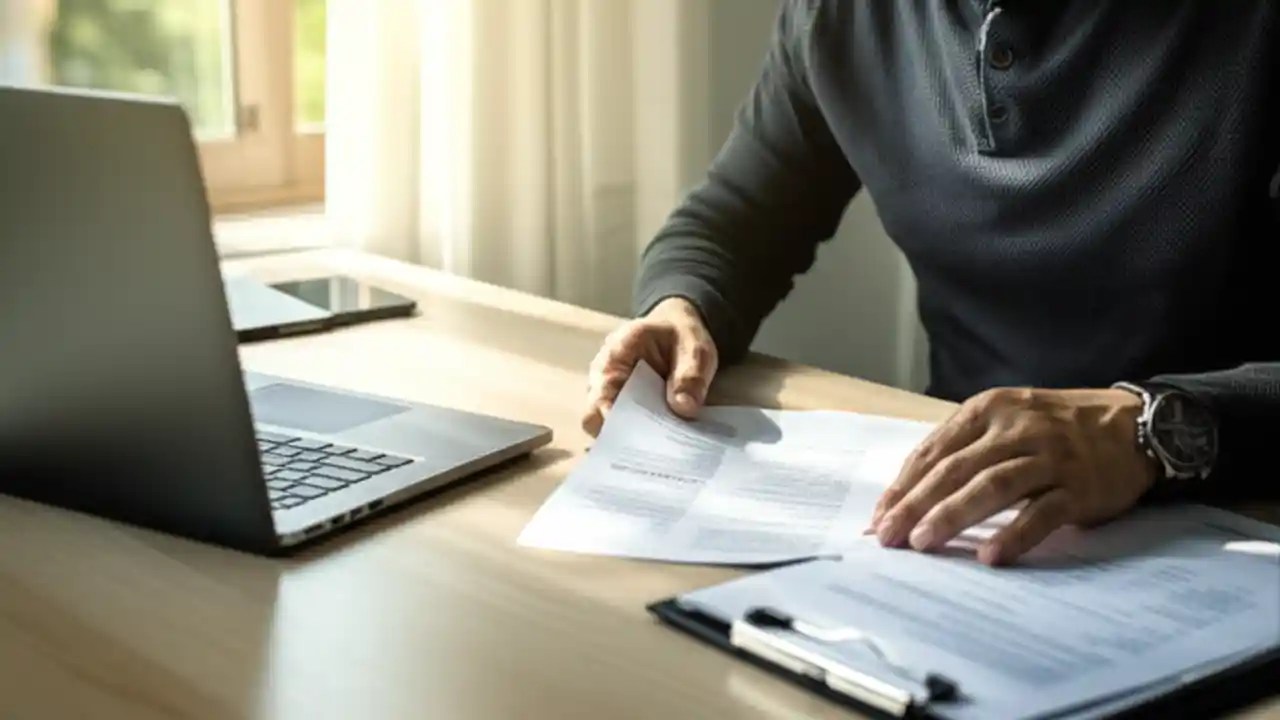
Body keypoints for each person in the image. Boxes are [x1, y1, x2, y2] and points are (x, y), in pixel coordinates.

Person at [582, 1, 1280, 565]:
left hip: (1236, 520)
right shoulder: (844, 18)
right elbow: (734, 222)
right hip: (958, 523)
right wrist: (681, 307)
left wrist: (1149, 429)